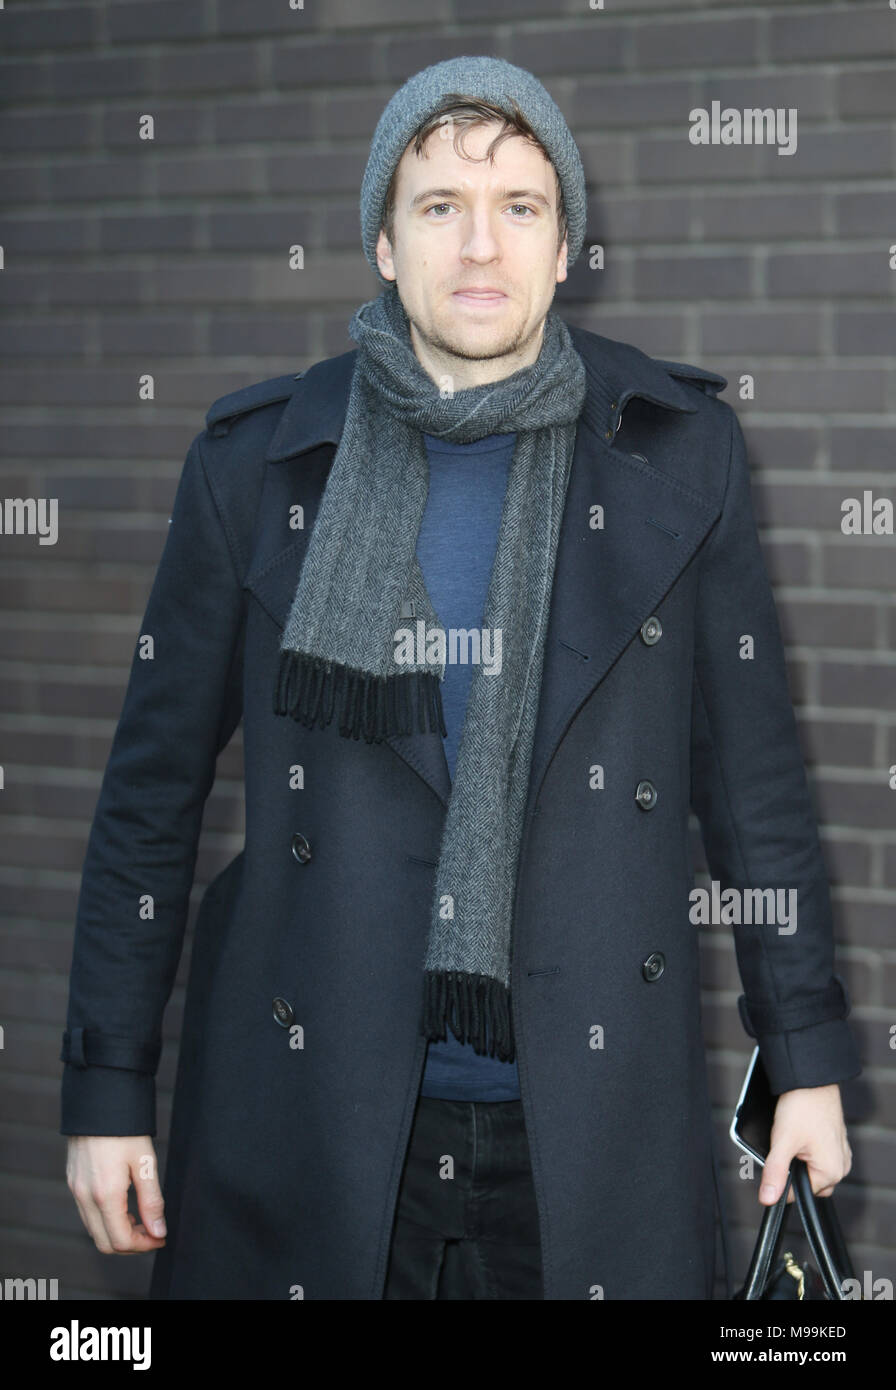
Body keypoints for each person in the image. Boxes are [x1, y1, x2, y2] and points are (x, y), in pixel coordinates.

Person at [61, 56, 860, 1300]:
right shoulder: (257, 466)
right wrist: (107, 1083)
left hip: (584, 1128)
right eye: (438, 206)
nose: (479, 245)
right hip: (312, 1120)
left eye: (519, 208)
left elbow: (754, 789)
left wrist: (801, 1056)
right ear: (384, 241)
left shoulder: (677, 454)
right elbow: (147, 803)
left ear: (562, 247)